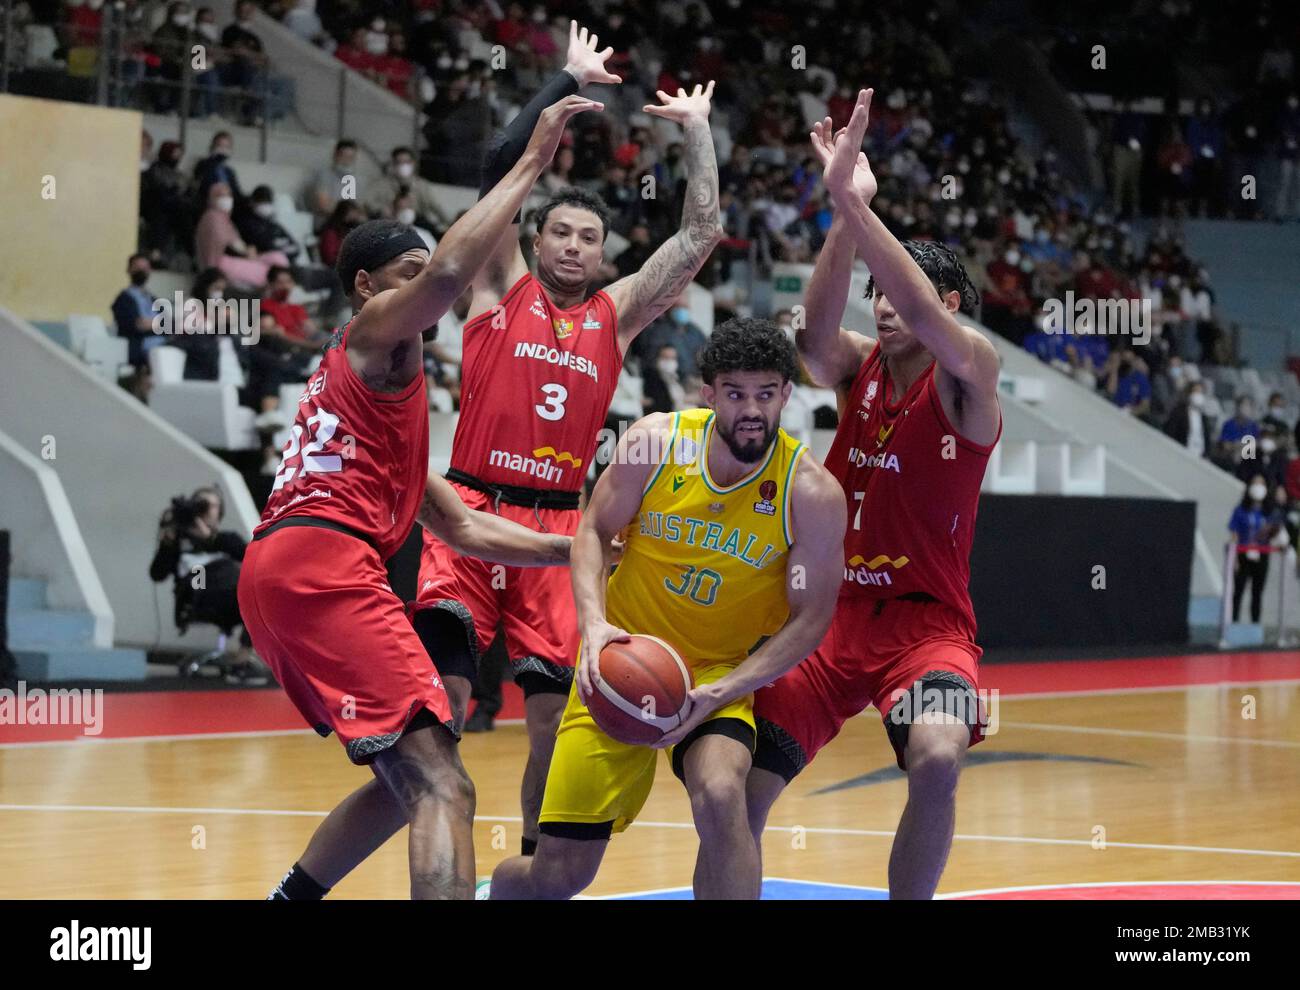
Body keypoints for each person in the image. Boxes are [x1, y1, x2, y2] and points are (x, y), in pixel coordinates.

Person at [241, 92, 601, 902]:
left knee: (407, 780)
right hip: (326, 565)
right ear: (367, 285)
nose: (430, 292)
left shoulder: (374, 406)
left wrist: (571, 546)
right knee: (448, 789)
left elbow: (464, 525)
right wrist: (534, 162)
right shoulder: (377, 336)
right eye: (405, 277)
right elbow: (449, 268)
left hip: (280, 573)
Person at [410, 21, 721, 859]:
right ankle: (440, 846)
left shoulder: (615, 314)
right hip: (470, 511)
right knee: (444, 705)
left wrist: (698, 137)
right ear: (536, 242)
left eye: (589, 238)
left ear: (603, 250)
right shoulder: (500, 282)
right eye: (562, 234)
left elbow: (698, 239)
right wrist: (562, 82)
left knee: (549, 717)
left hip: (558, 526)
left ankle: (530, 863)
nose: (576, 247)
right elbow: (500, 171)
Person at [488, 318, 846, 899]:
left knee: (724, 792)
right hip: (620, 666)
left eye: (765, 393)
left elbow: (812, 618)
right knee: (557, 877)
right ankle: (495, 892)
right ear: (709, 395)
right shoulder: (657, 441)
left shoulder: (811, 493)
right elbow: (593, 531)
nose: (750, 409)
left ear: (787, 393)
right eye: (734, 394)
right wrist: (596, 625)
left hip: (715, 677)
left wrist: (729, 688)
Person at [747, 91, 1003, 900]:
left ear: (947, 305)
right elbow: (813, 343)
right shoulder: (860, 367)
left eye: (901, 296)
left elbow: (924, 310)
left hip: (923, 623)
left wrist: (859, 208)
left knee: (935, 756)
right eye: (879, 295)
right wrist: (841, 213)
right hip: (827, 615)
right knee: (735, 788)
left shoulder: (972, 377)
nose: (885, 305)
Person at [149, 486, 266, 684]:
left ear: (219, 511)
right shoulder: (177, 540)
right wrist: (168, 544)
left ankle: (243, 656)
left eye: (209, 505)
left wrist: (211, 539)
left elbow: (251, 558)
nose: (204, 509)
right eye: (200, 504)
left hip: (233, 593)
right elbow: (157, 574)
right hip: (198, 592)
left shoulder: (227, 539)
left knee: (261, 589)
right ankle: (240, 661)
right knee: (203, 571)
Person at [1228, 475, 1283, 624]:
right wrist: (1234, 559)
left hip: (1262, 554)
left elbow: (1276, 533)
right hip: (1243, 554)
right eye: (1255, 483)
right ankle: (1233, 622)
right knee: (1238, 590)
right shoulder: (1240, 510)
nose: (1258, 487)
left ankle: (1255, 623)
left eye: (1261, 484)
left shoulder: (1269, 511)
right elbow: (1234, 533)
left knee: (1257, 592)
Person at [112, 254, 162, 367]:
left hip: (162, 346)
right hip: (139, 349)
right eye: (138, 267)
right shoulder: (123, 300)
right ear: (129, 270)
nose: (141, 271)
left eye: (145, 268)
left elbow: (170, 324)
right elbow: (138, 325)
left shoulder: (153, 299)